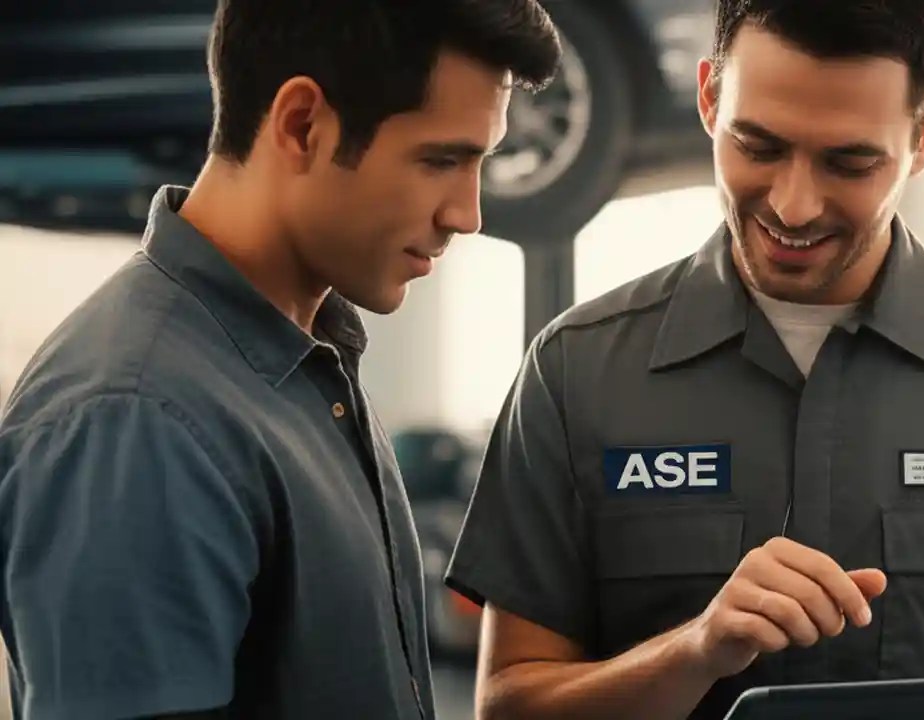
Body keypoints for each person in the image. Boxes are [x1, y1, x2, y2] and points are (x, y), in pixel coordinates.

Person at [444, 1, 924, 719]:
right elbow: (509, 705)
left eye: (850, 162)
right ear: (709, 98)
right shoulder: (575, 373)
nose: (794, 206)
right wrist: (696, 651)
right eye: (758, 147)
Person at [0, 1, 559, 718]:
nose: (467, 214)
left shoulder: (306, 359)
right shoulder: (136, 422)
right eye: (440, 160)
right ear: (301, 125)